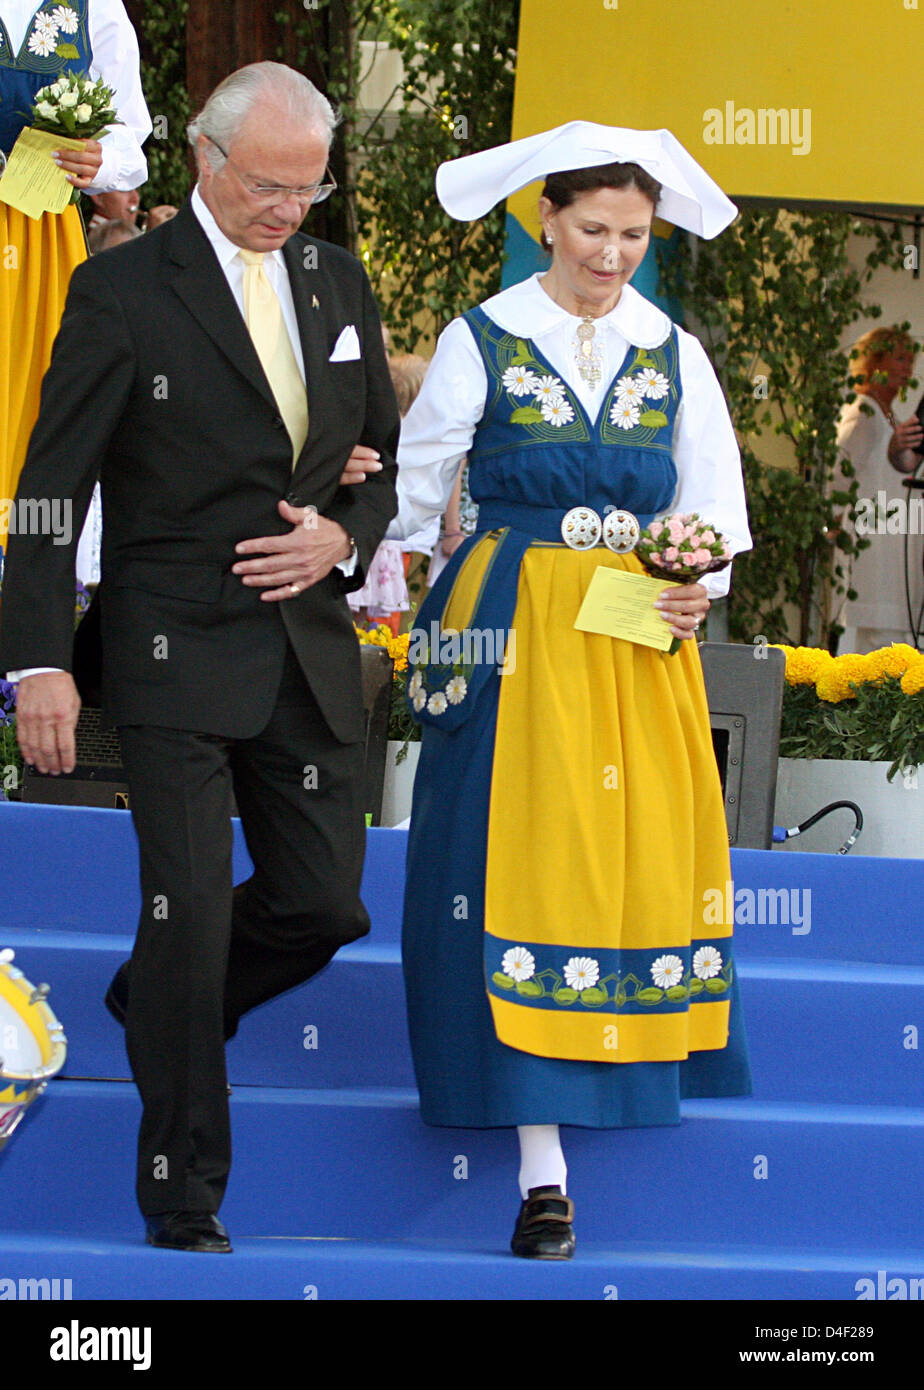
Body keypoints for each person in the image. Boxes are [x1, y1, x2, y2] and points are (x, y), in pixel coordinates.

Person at [0, 61, 399, 1253]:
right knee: (188, 917)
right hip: (169, 645)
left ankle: (157, 1011)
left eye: (310, 190)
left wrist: (343, 534)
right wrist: (38, 662)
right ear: (205, 160)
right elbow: (45, 491)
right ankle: (183, 1191)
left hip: (306, 649)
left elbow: (379, 451)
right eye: (270, 186)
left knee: (324, 904)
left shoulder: (339, 279)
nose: (290, 211)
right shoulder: (123, 290)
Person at [385, 123, 753, 1257]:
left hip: (638, 632)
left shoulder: (672, 349)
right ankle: (538, 1159)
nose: (612, 254)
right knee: (505, 855)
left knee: (622, 861)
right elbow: (415, 484)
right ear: (545, 220)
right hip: (507, 625)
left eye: (635, 234)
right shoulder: (482, 337)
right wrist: (389, 585)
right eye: (593, 228)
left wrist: (699, 583)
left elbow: (715, 512)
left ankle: (615, 1071)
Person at [0, 0, 151, 550]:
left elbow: (131, 137)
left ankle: (32, 561)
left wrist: (100, 163)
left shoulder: (95, 6)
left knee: (49, 386)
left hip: (40, 223)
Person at [834, 326, 923, 653]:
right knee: (875, 648)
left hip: (894, 547)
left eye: (910, 360)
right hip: (874, 553)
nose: (907, 368)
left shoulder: (889, 415)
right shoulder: (862, 415)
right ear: (875, 363)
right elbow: (837, 480)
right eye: (900, 358)